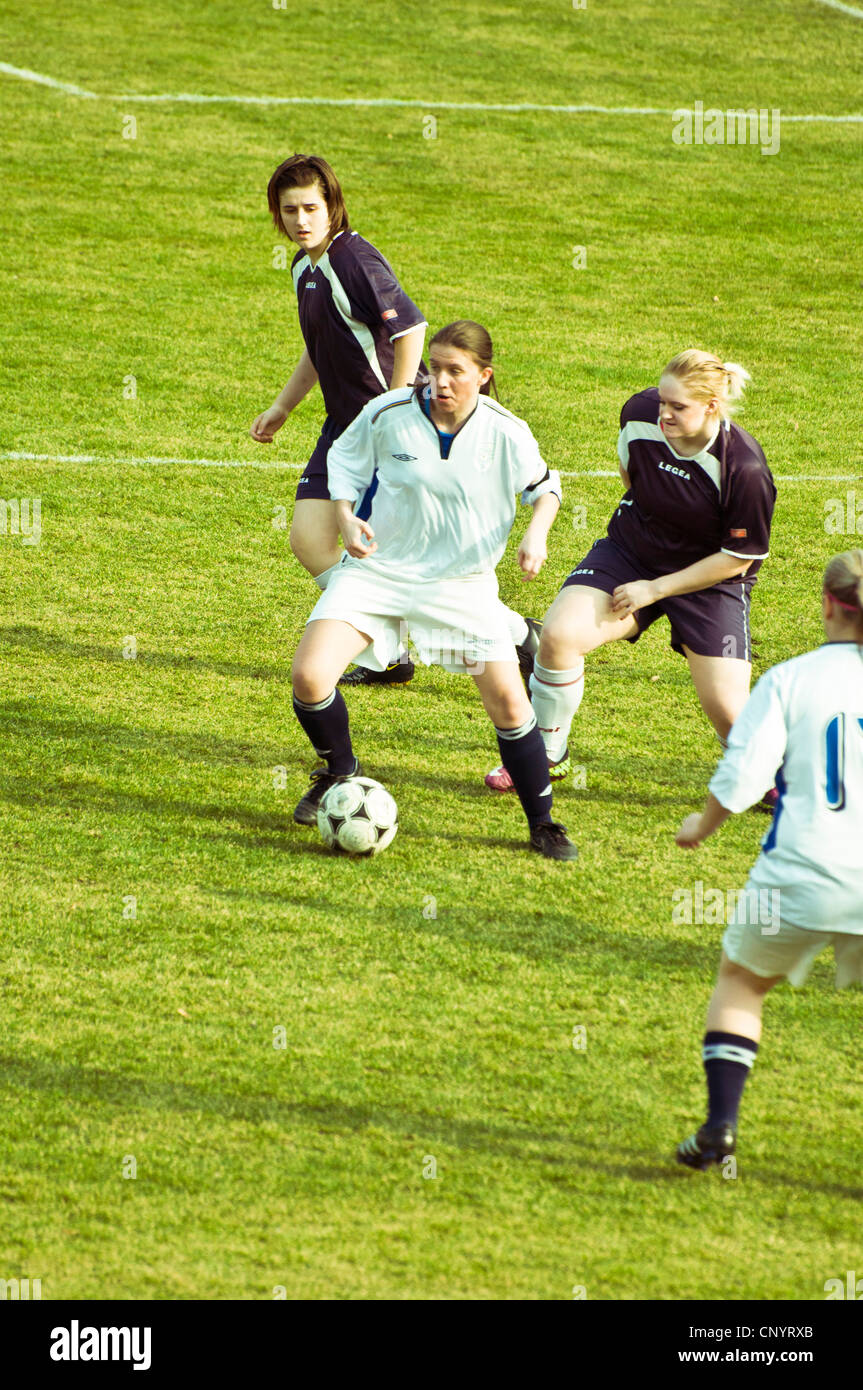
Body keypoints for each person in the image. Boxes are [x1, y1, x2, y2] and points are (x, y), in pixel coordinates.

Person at [289, 320, 577, 860]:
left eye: (455, 372)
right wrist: (347, 519)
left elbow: (546, 488)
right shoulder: (389, 412)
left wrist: (535, 536)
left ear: (483, 377)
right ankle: (339, 771)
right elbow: (344, 464)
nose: (439, 381)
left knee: (512, 707)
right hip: (379, 571)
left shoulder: (506, 431)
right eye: (435, 368)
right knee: (309, 675)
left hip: (460, 585)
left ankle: (544, 823)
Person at [483, 350, 777, 797]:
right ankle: (547, 753)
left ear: (712, 407)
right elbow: (631, 474)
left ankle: (768, 777)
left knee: (728, 710)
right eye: (663, 401)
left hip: (710, 578)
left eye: (679, 407)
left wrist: (656, 589)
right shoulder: (639, 415)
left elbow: (737, 558)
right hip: (632, 552)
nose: (664, 414)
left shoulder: (745, 469)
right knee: (560, 637)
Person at [674, 550, 863, 1169]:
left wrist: (701, 827)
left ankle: (719, 1129)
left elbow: (744, 774)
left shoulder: (792, 679)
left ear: (829, 605)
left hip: (801, 871)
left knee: (743, 982)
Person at [249, 153, 426, 686]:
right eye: (289, 210)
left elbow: (411, 331)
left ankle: (512, 640)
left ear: (332, 207)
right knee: (308, 539)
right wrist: (283, 407)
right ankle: (386, 646)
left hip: (387, 423)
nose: (300, 220)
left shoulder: (354, 261)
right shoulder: (304, 268)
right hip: (345, 425)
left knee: (377, 551)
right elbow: (319, 348)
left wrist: (393, 411)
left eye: (310, 208)